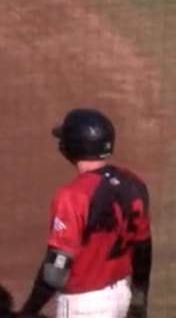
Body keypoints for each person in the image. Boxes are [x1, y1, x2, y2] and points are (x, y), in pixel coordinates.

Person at [13, 108, 153, 318]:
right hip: (120, 296)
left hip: (84, 305)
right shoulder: (133, 183)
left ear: (71, 146)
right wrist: (139, 299)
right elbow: (143, 249)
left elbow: (56, 270)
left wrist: (28, 311)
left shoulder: (73, 196)